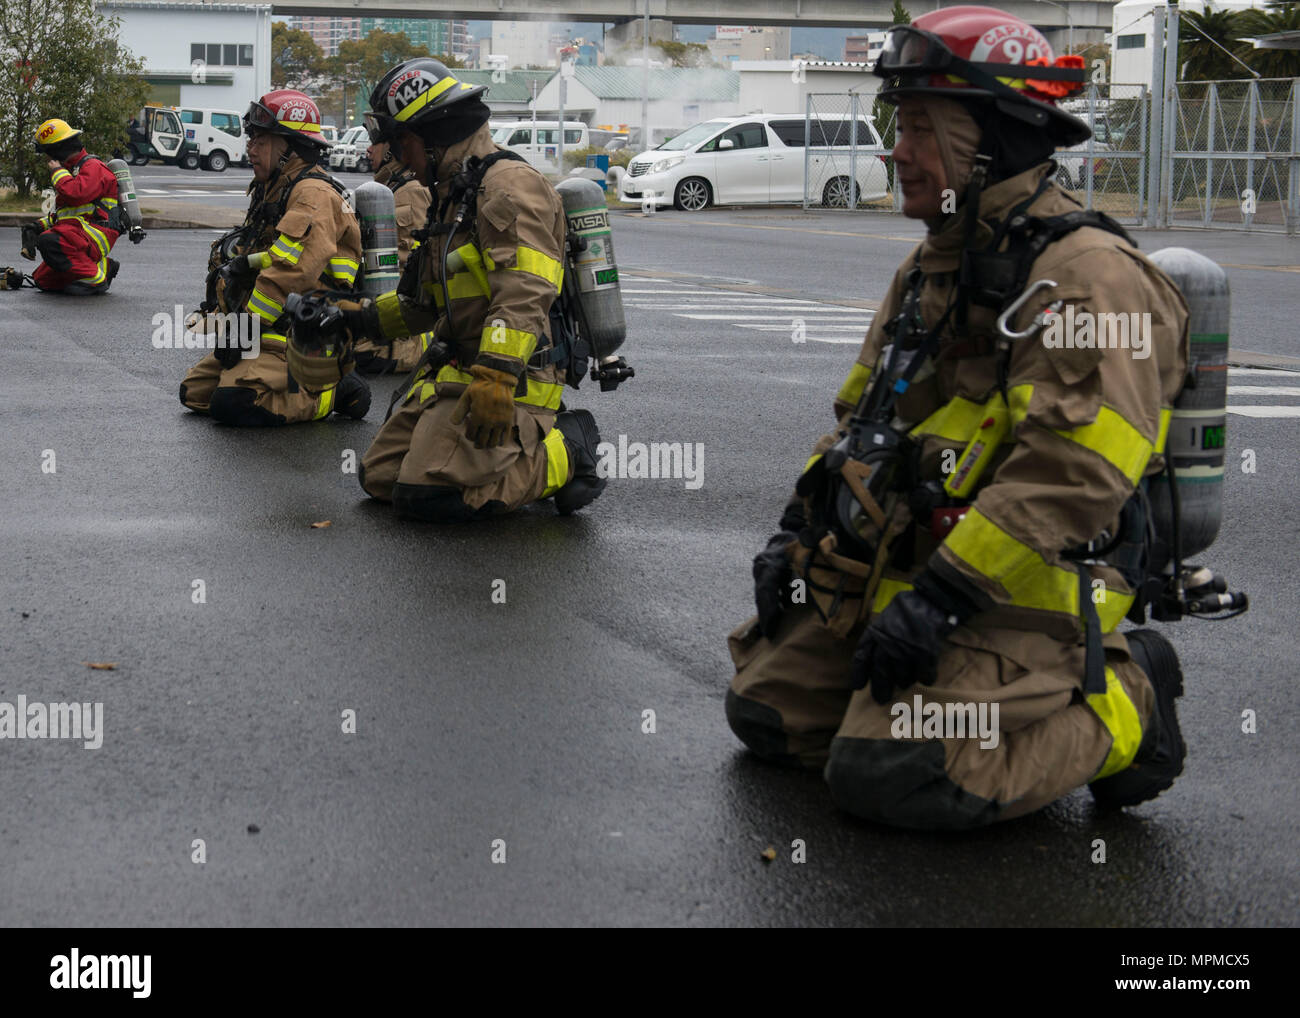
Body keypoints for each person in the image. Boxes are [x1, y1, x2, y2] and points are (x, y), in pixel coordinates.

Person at [725, 5, 1194, 830]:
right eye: (896, 125)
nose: (894, 151)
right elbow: (860, 424)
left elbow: (1073, 476)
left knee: (892, 772)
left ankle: (1125, 701)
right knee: (767, 716)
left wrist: (941, 599)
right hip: (913, 572)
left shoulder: (1087, 278)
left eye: (917, 128)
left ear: (988, 142)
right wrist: (795, 536)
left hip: (1026, 593)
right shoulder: (934, 267)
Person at [290, 59, 605, 521]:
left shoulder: (510, 188)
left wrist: (497, 374)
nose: (398, 155)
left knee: (431, 497)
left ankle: (565, 449)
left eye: (403, 142)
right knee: (381, 480)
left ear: (433, 135)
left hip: (514, 380)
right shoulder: (454, 195)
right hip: (456, 371)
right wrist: (356, 316)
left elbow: (525, 290)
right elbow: (422, 306)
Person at [179, 89, 370, 427]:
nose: (250, 148)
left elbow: (291, 272)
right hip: (269, 328)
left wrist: (243, 330)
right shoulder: (274, 187)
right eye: (251, 138)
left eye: (261, 140)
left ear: (290, 146)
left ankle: (330, 390)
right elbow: (253, 257)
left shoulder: (313, 195)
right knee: (194, 394)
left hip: (303, 335)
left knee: (233, 404)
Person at [350, 126, 433, 375]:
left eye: (375, 141)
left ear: (391, 148)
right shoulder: (390, 188)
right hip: (381, 304)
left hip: (400, 317)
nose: (368, 148)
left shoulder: (413, 191)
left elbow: (414, 261)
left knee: (360, 358)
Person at [23, 119, 122, 294]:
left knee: (49, 241)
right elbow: (68, 214)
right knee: (43, 280)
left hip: (98, 233)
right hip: (79, 232)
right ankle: (104, 268)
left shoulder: (93, 167)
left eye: (48, 153)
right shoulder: (73, 171)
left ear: (58, 150)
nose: (47, 158)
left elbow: (76, 194)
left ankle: (95, 279)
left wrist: (57, 172)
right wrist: (37, 226)